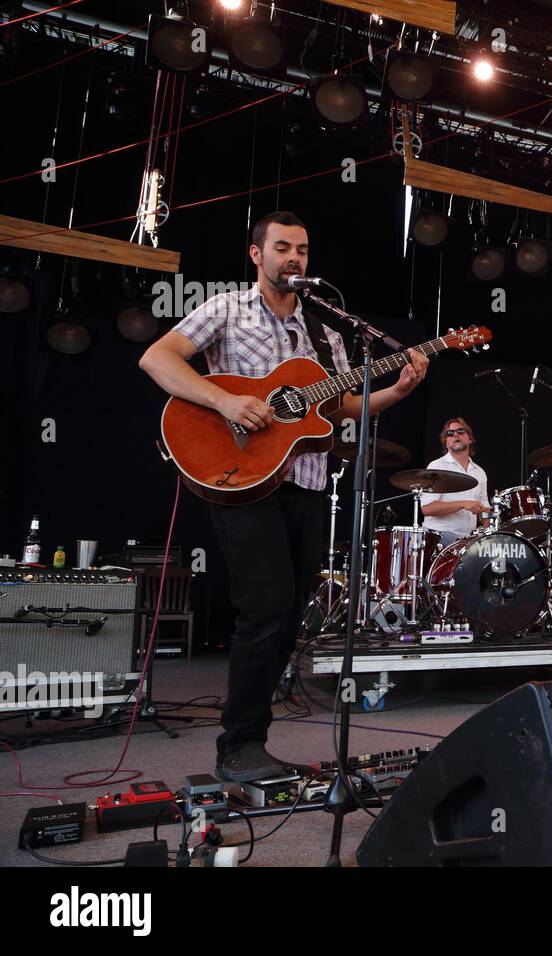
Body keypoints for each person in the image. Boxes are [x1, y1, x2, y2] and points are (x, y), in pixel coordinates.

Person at [139, 211, 428, 782]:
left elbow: (339, 408)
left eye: (301, 249)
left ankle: (252, 738)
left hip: (308, 482)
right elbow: (157, 358)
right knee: (265, 606)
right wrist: (225, 403)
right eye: (281, 248)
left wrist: (394, 389)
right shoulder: (226, 309)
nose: (293, 258)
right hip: (240, 478)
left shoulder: (324, 333)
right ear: (256, 255)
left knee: (292, 613)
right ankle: (238, 743)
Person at [421, 417, 491, 545]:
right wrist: (463, 504)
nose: (455, 434)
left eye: (461, 431)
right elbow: (428, 508)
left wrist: (490, 532)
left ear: (470, 439)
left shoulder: (479, 472)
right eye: (450, 433)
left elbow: (484, 511)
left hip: (469, 540)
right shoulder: (437, 467)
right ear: (446, 442)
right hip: (440, 536)